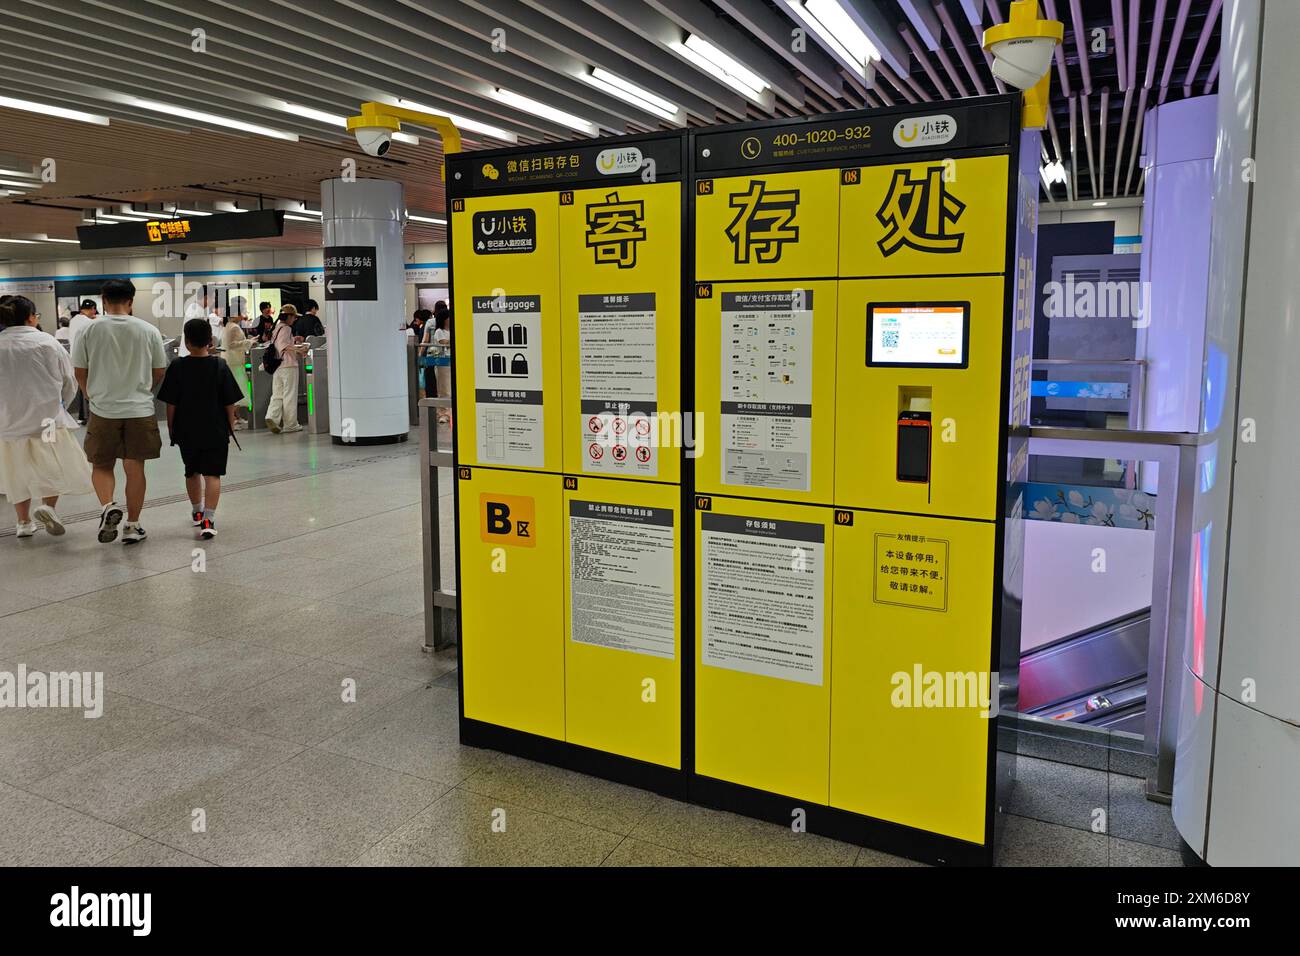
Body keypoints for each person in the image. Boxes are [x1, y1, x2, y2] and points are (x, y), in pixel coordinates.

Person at [71, 278, 166, 545]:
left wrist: (90, 393)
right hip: (139, 408)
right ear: (131, 301)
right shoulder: (148, 330)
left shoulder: (88, 330)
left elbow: (79, 371)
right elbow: (159, 370)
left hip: (103, 410)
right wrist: (142, 388)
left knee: (101, 464)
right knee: (135, 466)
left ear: (103, 300)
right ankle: (133, 526)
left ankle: (108, 506)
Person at [0, 295, 94, 538]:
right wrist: (60, 404)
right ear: (31, 317)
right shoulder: (47, 342)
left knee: (17, 472)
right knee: (54, 466)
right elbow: (69, 380)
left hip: (9, 421)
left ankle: (22, 523)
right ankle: (47, 508)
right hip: (48, 418)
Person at [158, 319, 244, 540]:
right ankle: (209, 519)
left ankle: (197, 511)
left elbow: (171, 403)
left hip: (186, 429)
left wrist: (171, 427)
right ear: (211, 341)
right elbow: (229, 403)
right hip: (215, 428)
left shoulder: (177, 366)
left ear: (186, 342)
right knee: (212, 474)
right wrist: (230, 426)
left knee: (191, 471)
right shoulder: (219, 366)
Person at [264, 304, 308, 434]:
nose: (295, 319)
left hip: (277, 367)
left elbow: (279, 344)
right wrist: (300, 349)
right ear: (288, 316)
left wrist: (294, 340)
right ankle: (290, 424)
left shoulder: (276, 328)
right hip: (288, 365)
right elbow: (284, 346)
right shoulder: (287, 328)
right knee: (289, 395)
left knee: (277, 394)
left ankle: (272, 416)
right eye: (294, 317)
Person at [67, 300, 99, 425]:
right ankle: (91, 416)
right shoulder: (89, 322)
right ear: (92, 309)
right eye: (94, 310)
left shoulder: (74, 320)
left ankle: (82, 416)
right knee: (89, 389)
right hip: (87, 359)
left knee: (82, 388)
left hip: (74, 359)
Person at [220, 309, 251, 431]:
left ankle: (236, 417)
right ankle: (232, 418)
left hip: (231, 361)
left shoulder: (228, 326)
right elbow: (231, 344)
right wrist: (249, 342)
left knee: (234, 389)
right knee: (238, 389)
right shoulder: (233, 327)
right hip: (234, 362)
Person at [427, 305, 452, 426]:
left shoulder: (451, 330)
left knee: (450, 388)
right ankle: (443, 414)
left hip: (451, 362)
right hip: (442, 363)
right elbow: (444, 343)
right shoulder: (439, 331)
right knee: (444, 389)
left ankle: (450, 412)